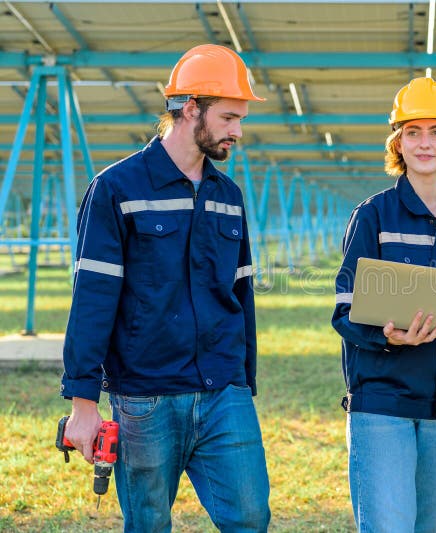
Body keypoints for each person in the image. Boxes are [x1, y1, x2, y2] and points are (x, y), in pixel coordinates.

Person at [61, 44, 270, 532]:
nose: (238, 131)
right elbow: (93, 297)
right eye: (230, 117)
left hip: (223, 391)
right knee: (149, 524)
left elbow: (242, 296)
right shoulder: (117, 188)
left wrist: (244, 378)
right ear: (191, 108)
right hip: (145, 397)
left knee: (251, 517)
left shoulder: (228, 196)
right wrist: (83, 404)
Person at [331, 77, 436, 532]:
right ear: (398, 143)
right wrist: (387, 334)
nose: (425, 142)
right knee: (389, 525)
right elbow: (343, 312)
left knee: (428, 525)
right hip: (382, 396)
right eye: (413, 132)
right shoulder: (373, 216)